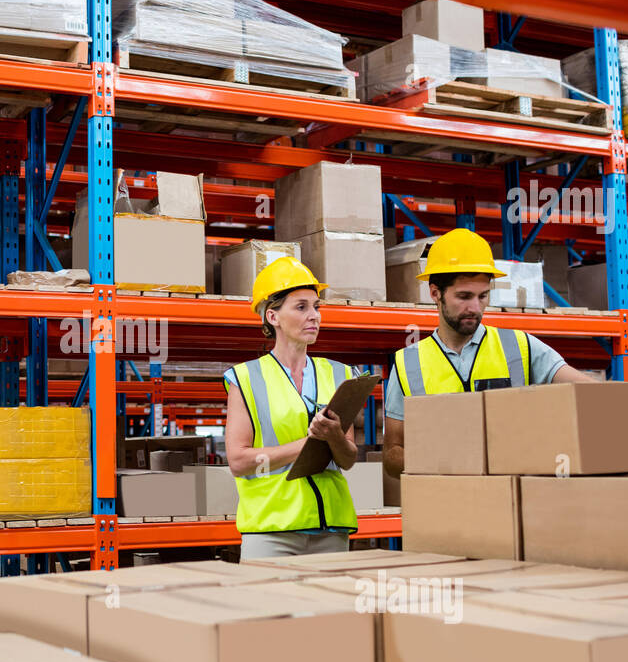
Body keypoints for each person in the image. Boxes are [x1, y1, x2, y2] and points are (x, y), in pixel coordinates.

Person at [382, 229, 595, 478]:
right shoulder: (408, 362)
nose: (474, 307)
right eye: (463, 296)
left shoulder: (519, 346)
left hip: (511, 502)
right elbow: (392, 455)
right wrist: (444, 461)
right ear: (435, 293)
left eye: (483, 296)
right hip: (445, 505)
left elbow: (589, 393)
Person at [224, 257, 361, 559]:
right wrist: (307, 445)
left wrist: (335, 437)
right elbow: (239, 462)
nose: (314, 316)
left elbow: (349, 459)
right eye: (301, 307)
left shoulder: (341, 375)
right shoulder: (246, 378)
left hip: (331, 527)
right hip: (271, 531)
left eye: (316, 307)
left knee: (333, 608)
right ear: (272, 317)